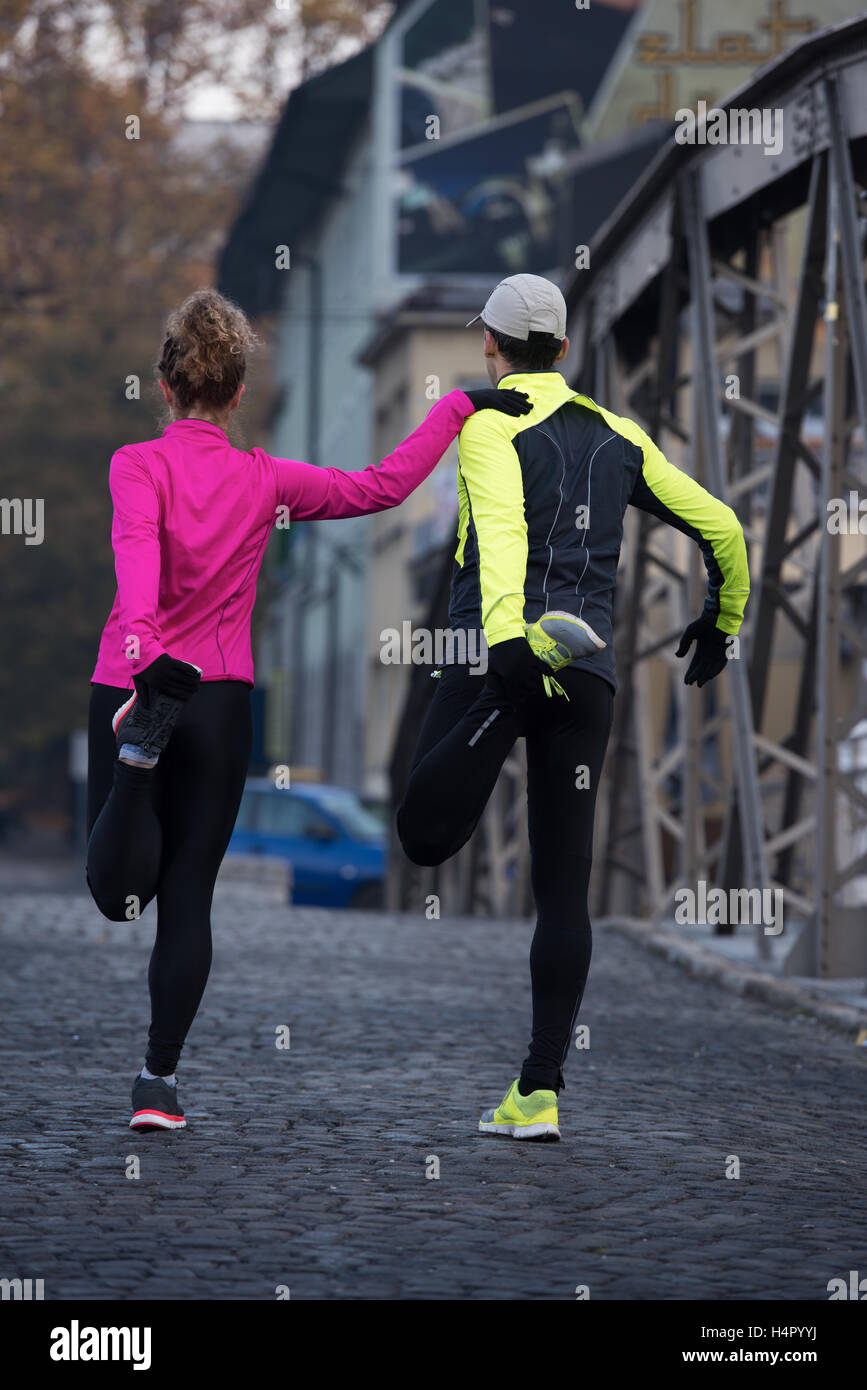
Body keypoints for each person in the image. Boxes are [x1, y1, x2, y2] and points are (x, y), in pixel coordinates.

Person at [85, 287, 531, 1132]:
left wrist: (144, 653)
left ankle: (135, 764)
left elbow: (135, 556)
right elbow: (381, 487)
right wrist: (460, 409)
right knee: (187, 896)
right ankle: (158, 1083)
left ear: (166, 386)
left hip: (134, 681)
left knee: (117, 893)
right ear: (239, 394)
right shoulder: (267, 479)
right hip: (217, 698)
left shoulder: (134, 466)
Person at [396, 273, 750, 1141]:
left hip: (500, 656)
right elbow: (724, 529)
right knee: (564, 889)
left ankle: (511, 689)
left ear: (490, 344)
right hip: (588, 675)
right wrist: (721, 620)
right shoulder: (620, 434)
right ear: (562, 349)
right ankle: (539, 1091)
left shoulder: (488, 425)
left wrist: (512, 645)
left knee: (423, 834)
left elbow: (506, 529)